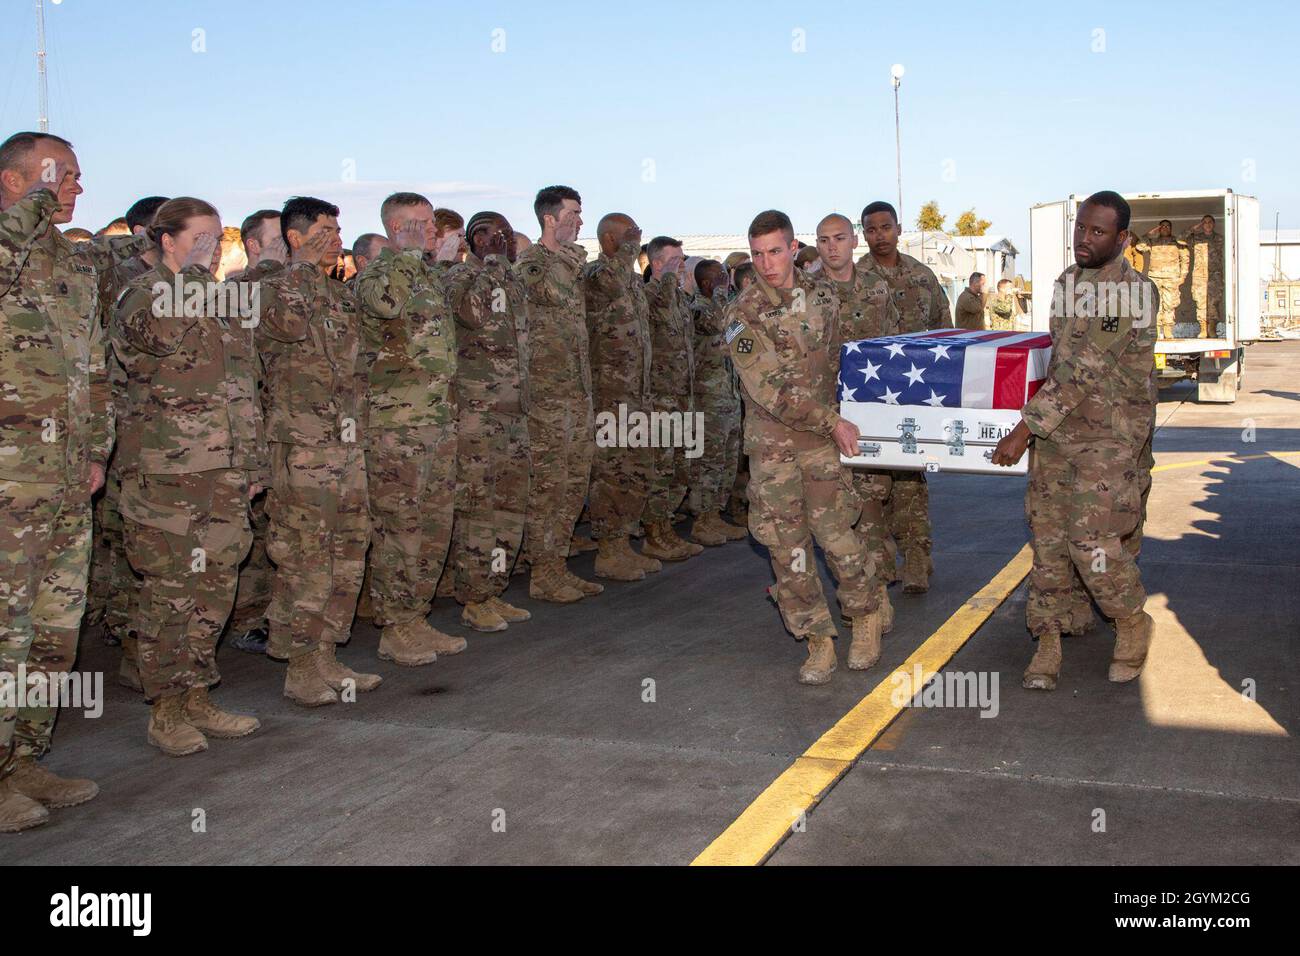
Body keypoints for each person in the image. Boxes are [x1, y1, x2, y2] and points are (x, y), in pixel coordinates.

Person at [111, 197, 265, 755]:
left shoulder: (222, 302)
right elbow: (162, 335)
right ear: (165, 240)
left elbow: (242, 388)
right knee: (170, 592)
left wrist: (252, 462)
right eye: (197, 238)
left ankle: (199, 694)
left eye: (214, 240)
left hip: (223, 469)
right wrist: (200, 270)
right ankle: (166, 709)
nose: (208, 249)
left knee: (216, 585)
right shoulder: (144, 294)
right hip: (168, 472)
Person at [992, 190, 1157, 691]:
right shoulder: (1067, 282)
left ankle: (1131, 622)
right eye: (1080, 227)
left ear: (1122, 238)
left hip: (1108, 436)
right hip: (1059, 433)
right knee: (1046, 534)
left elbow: (1086, 369)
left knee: (1092, 539)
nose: (1084, 238)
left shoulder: (1133, 292)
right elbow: (1058, 358)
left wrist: (1024, 428)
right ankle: (1047, 635)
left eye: (1098, 231)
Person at [0, 131, 111, 831]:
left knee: (53, 629)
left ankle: (24, 757)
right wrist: (32, 206)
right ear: (16, 180)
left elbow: (95, 369)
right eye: (61, 175)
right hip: (10, 482)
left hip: (69, 477)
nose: (75, 187)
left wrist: (98, 448)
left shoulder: (71, 268)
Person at [726, 210, 881, 684]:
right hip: (774, 449)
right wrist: (831, 420)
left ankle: (866, 615)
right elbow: (767, 387)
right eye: (757, 254)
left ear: (794, 249)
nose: (766, 263)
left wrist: (845, 417)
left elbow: (840, 361)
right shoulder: (741, 314)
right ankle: (816, 638)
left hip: (820, 446)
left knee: (838, 536)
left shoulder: (824, 298)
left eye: (775, 251)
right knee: (786, 548)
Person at [257, 196, 380, 706]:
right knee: (306, 554)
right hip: (302, 445)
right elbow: (281, 329)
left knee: (349, 549)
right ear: (295, 236)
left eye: (338, 229)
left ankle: (327, 650)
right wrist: (305, 269)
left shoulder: (339, 295)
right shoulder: (271, 288)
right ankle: (300, 663)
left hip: (346, 444)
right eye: (324, 230)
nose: (335, 237)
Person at [355, 191, 465, 662]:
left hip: (436, 419)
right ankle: (395, 626)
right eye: (419, 224)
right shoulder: (382, 272)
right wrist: (403, 254)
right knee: (400, 527)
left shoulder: (427, 275)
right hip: (396, 424)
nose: (430, 232)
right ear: (397, 228)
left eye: (431, 224)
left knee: (435, 524)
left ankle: (416, 616)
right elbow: (382, 304)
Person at [443, 212, 535, 629]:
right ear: (476, 240)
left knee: (510, 506)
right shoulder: (460, 278)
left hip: (515, 412)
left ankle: (494, 588)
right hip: (478, 414)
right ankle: (474, 596)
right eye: (495, 236)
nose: (506, 243)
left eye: (507, 237)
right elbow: (470, 314)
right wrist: (493, 265)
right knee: (479, 509)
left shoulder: (513, 281)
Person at [859, 200, 951, 593]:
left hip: (916, 398)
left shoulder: (922, 276)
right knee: (870, 483)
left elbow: (944, 334)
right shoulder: (856, 277)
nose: (879, 236)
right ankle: (879, 563)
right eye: (871, 229)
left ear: (899, 228)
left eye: (885, 227)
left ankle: (917, 558)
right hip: (869, 399)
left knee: (911, 481)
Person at [516, 185, 601, 600]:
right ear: (550, 218)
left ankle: (558, 564)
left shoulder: (568, 263)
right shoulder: (533, 262)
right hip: (545, 399)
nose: (580, 222)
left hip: (576, 394)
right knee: (548, 485)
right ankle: (542, 572)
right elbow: (551, 293)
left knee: (572, 483)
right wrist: (571, 258)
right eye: (573, 214)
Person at [815, 212, 898, 632]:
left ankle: (877, 594)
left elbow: (890, 348)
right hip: (825, 419)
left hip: (870, 416)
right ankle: (860, 600)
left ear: (853, 242)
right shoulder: (807, 292)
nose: (832, 247)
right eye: (825, 240)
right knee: (836, 515)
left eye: (840, 238)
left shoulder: (876, 288)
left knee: (871, 510)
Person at [582, 213, 662, 581]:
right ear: (609, 240)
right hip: (610, 397)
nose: (636, 239)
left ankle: (623, 542)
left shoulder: (631, 281)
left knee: (636, 471)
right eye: (628, 235)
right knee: (612, 474)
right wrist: (629, 249)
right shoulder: (599, 275)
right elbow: (611, 281)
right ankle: (608, 550)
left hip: (638, 394)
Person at [221, 209, 287, 656]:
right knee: (252, 531)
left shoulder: (292, 289)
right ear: (256, 245)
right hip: (250, 430)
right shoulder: (237, 290)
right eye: (280, 240)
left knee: (276, 532)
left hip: (283, 429)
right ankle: (247, 621)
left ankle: (270, 618)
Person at [642, 236, 703, 560]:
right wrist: (667, 278)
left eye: (683, 260)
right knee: (660, 469)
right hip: (660, 398)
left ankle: (666, 529)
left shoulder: (679, 298)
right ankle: (654, 534)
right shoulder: (650, 295)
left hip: (683, 395)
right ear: (656, 264)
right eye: (674, 260)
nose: (681, 265)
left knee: (681, 466)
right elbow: (659, 312)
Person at [687, 259, 746, 545]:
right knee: (707, 463)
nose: (727, 280)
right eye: (721, 277)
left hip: (729, 396)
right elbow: (717, 324)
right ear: (708, 283)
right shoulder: (698, 309)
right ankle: (702, 520)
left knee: (727, 461)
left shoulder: (724, 307)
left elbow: (736, 334)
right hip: (708, 400)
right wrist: (723, 294)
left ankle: (715, 516)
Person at [1133, 219, 1187, 339]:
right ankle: (1157, 330)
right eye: (1162, 226)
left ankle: (1168, 330)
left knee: (1169, 305)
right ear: (1159, 228)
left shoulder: (1177, 242)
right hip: (1155, 277)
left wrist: (1182, 276)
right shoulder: (1152, 241)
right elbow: (1139, 246)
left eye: (1168, 226)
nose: (1165, 228)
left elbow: (1185, 259)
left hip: (1171, 278)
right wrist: (1149, 233)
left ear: (1171, 229)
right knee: (1155, 304)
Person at [1185, 215, 1224, 338]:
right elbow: (1181, 238)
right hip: (1199, 275)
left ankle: (1211, 329)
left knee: (1213, 303)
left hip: (1215, 275)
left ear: (1214, 224)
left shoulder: (1219, 238)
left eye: (1210, 222)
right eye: (1205, 222)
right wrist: (1194, 228)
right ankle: (1203, 329)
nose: (1207, 224)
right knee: (1200, 302)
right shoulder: (1196, 238)